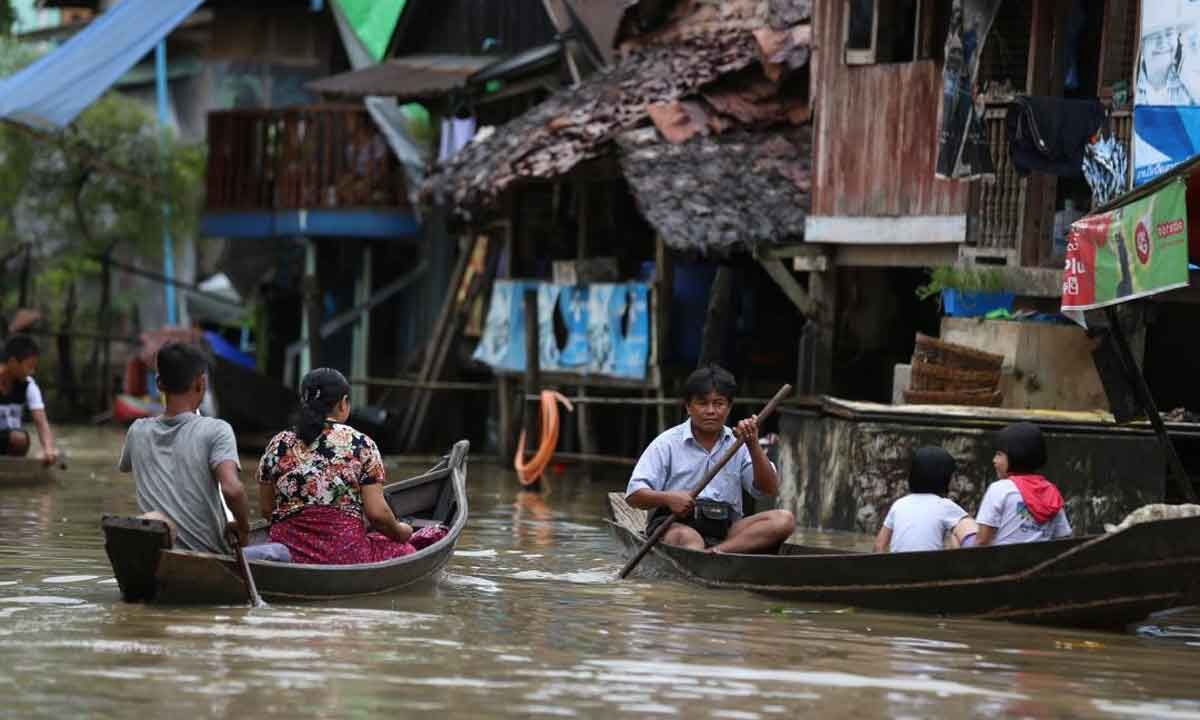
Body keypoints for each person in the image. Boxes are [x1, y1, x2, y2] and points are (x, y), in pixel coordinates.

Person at [258, 368, 447, 564]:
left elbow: (266, 509)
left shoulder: (278, 443)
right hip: (344, 554)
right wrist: (402, 532)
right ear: (343, 403)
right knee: (405, 550)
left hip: (289, 553)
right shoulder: (361, 443)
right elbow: (377, 515)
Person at [625, 364, 795, 554]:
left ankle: (717, 552)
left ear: (729, 407)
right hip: (675, 525)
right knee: (690, 540)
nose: (711, 411)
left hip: (726, 530)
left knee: (784, 520)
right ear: (689, 407)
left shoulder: (740, 443)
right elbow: (633, 495)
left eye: (719, 403)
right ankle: (705, 555)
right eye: (702, 403)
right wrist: (668, 498)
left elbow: (768, 490)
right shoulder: (666, 443)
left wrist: (753, 444)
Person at [118, 342, 258, 556]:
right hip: (209, 555)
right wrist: (243, 528)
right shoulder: (218, 430)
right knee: (280, 552)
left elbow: (126, 466)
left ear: (158, 383)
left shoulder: (137, 431)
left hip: (157, 550)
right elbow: (232, 489)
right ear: (201, 383)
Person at [975, 422, 1072, 546]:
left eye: (999, 454)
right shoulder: (1051, 492)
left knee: (964, 528)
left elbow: (981, 541)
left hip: (1002, 563)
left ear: (1016, 455)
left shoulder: (999, 489)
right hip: (1042, 563)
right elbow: (1063, 538)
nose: (994, 460)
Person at [873, 447, 978, 553]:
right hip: (929, 567)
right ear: (943, 477)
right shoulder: (944, 505)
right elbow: (973, 538)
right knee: (958, 531)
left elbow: (879, 545)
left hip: (898, 567)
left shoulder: (898, 504)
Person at [0, 335, 58, 465]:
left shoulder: (29, 385)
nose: (32, 372)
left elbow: (41, 422)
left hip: (10, 441)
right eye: (29, 366)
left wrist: (48, 449)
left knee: (20, 439)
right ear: (13, 362)